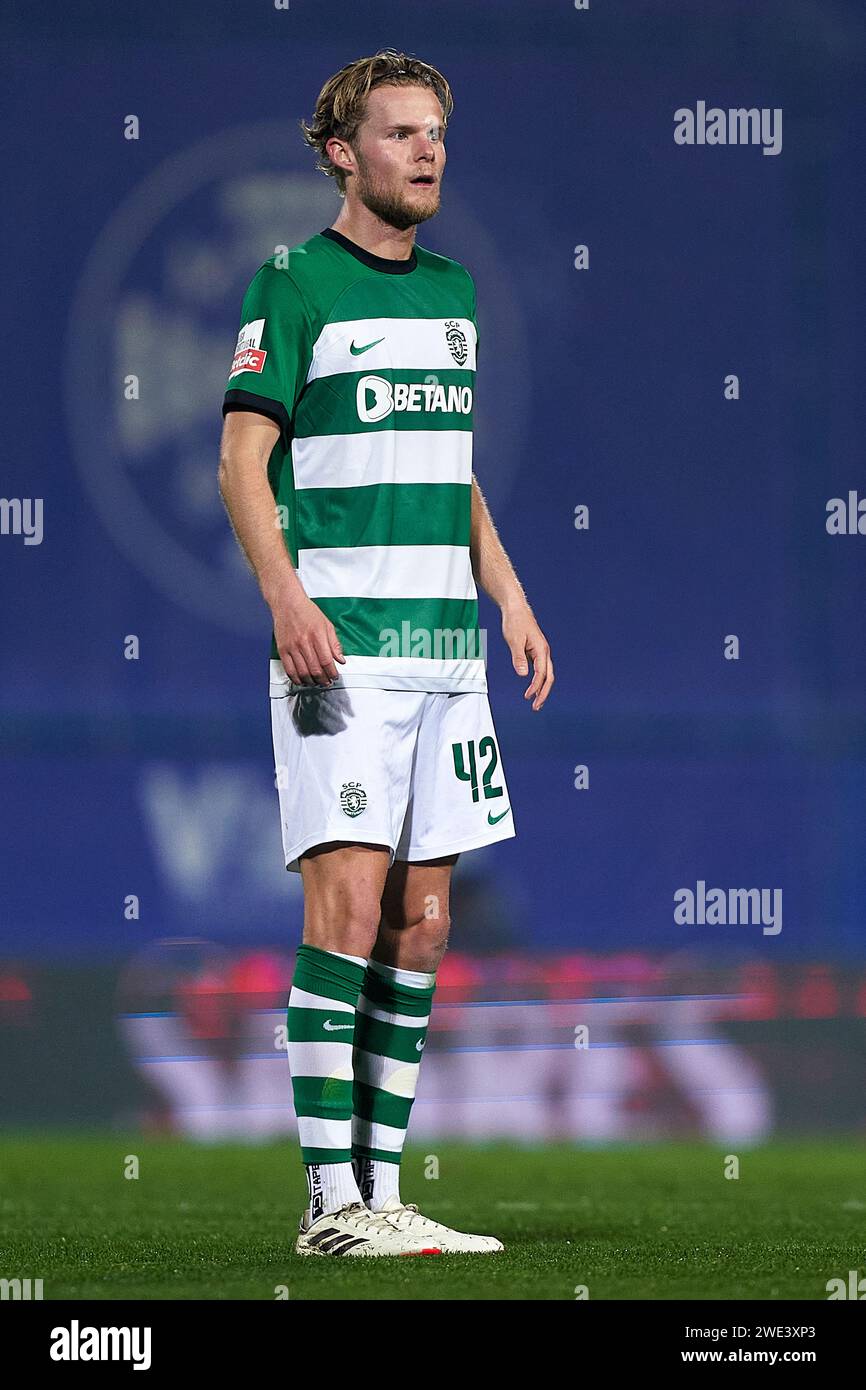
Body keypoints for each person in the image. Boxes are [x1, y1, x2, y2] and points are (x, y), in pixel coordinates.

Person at [218, 49, 553, 1257]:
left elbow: (450, 474)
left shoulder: (453, 293)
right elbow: (241, 463)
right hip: (340, 651)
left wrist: (507, 593)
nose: (427, 152)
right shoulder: (294, 280)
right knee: (345, 912)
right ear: (341, 153)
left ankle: (381, 1191)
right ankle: (326, 1206)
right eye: (401, 133)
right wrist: (284, 596)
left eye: (436, 135)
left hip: (445, 653)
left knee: (421, 928)